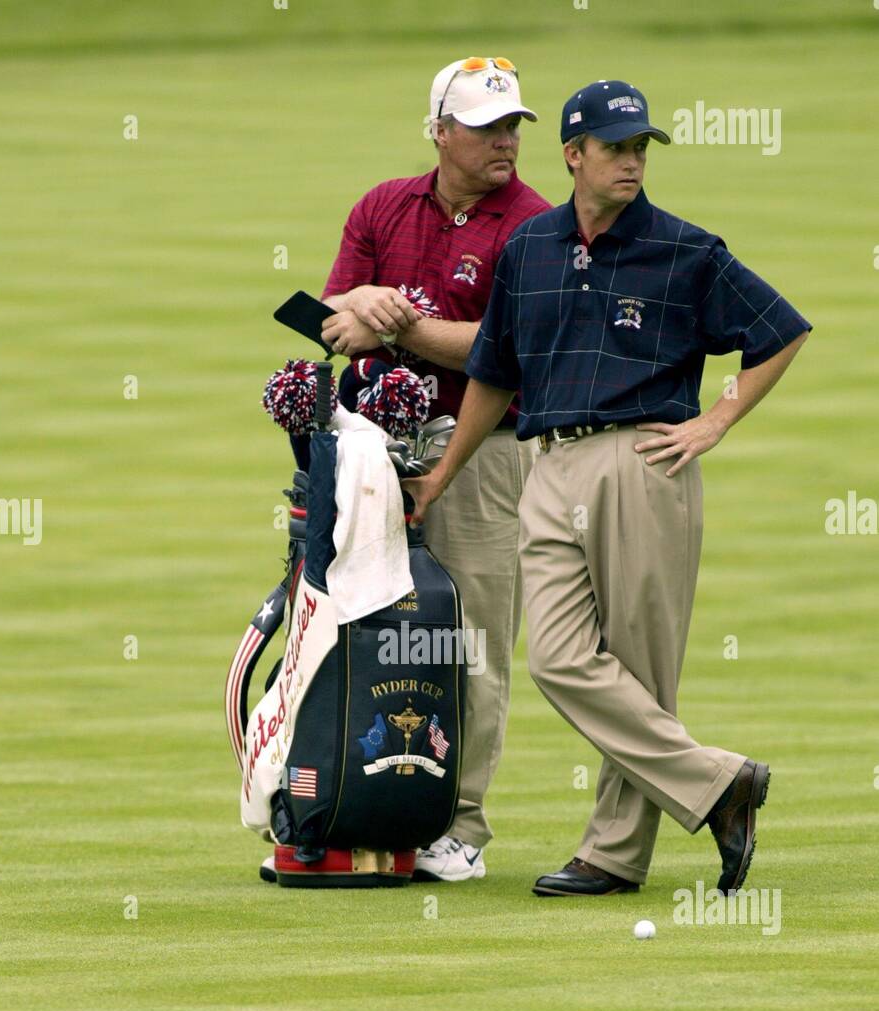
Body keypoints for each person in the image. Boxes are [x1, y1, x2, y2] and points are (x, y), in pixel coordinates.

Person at [405, 79, 811, 898]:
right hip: (546, 463)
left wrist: (715, 422)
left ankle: (613, 856)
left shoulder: (686, 249)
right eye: (615, 148)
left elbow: (778, 331)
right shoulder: (531, 248)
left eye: (639, 149)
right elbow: (494, 370)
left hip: (645, 462)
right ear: (572, 156)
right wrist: (443, 476)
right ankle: (718, 781)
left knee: (638, 665)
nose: (630, 162)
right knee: (558, 659)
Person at [319, 57, 551, 883]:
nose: (505, 141)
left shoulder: (534, 225)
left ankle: (462, 825)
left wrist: (399, 322)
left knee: (475, 640)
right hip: (373, 452)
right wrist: (370, 300)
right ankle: (354, 795)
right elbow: (332, 320)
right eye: (487, 126)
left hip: (486, 454)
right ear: (441, 132)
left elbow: (511, 352)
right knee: (355, 625)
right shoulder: (383, 205)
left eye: (513, 126)